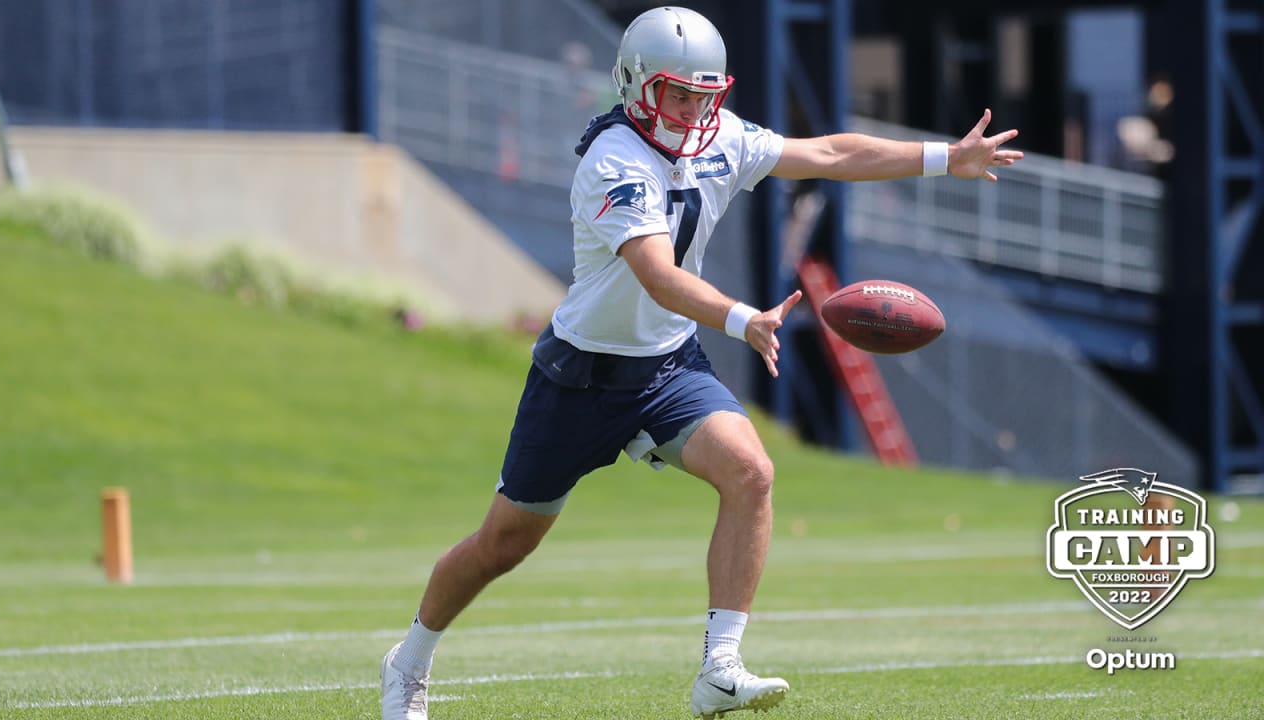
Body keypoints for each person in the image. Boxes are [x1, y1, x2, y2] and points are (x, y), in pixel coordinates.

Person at [381, 6, 1023, 719]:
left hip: (665, 368)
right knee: (503, 544)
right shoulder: (613, 160)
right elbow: (657, 274)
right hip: (581, 376)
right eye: (675, 93)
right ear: (634, 85)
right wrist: (742, 317)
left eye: (702, 94)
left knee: (752, 472)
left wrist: (943, 158)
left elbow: (830, 155)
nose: (691, 110)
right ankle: (408, 660)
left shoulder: (721, 137)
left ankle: (721, 665)